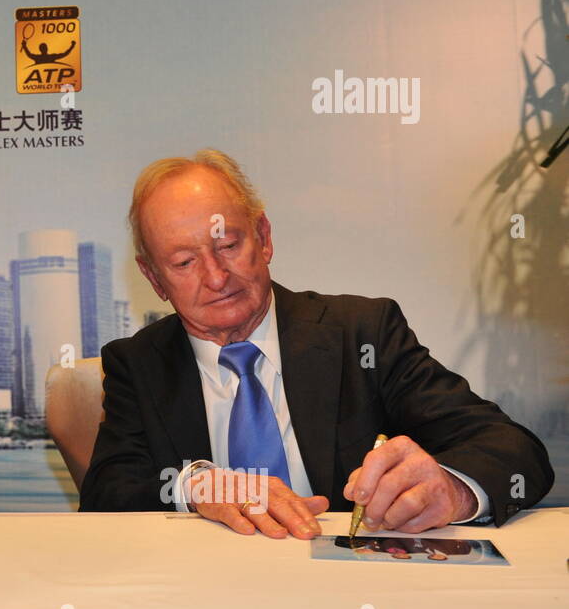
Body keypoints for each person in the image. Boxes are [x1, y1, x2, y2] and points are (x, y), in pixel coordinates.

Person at [79, 150, 553, 538]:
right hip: (205, 601)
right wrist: (196, 484)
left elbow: (511, 448)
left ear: (263, 239)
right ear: (154, 278)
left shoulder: (362, 332)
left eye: (228, 246)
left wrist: (453, 490)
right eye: (184, 262)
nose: (216, 277)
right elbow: (106, 493)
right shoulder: (138, 363)